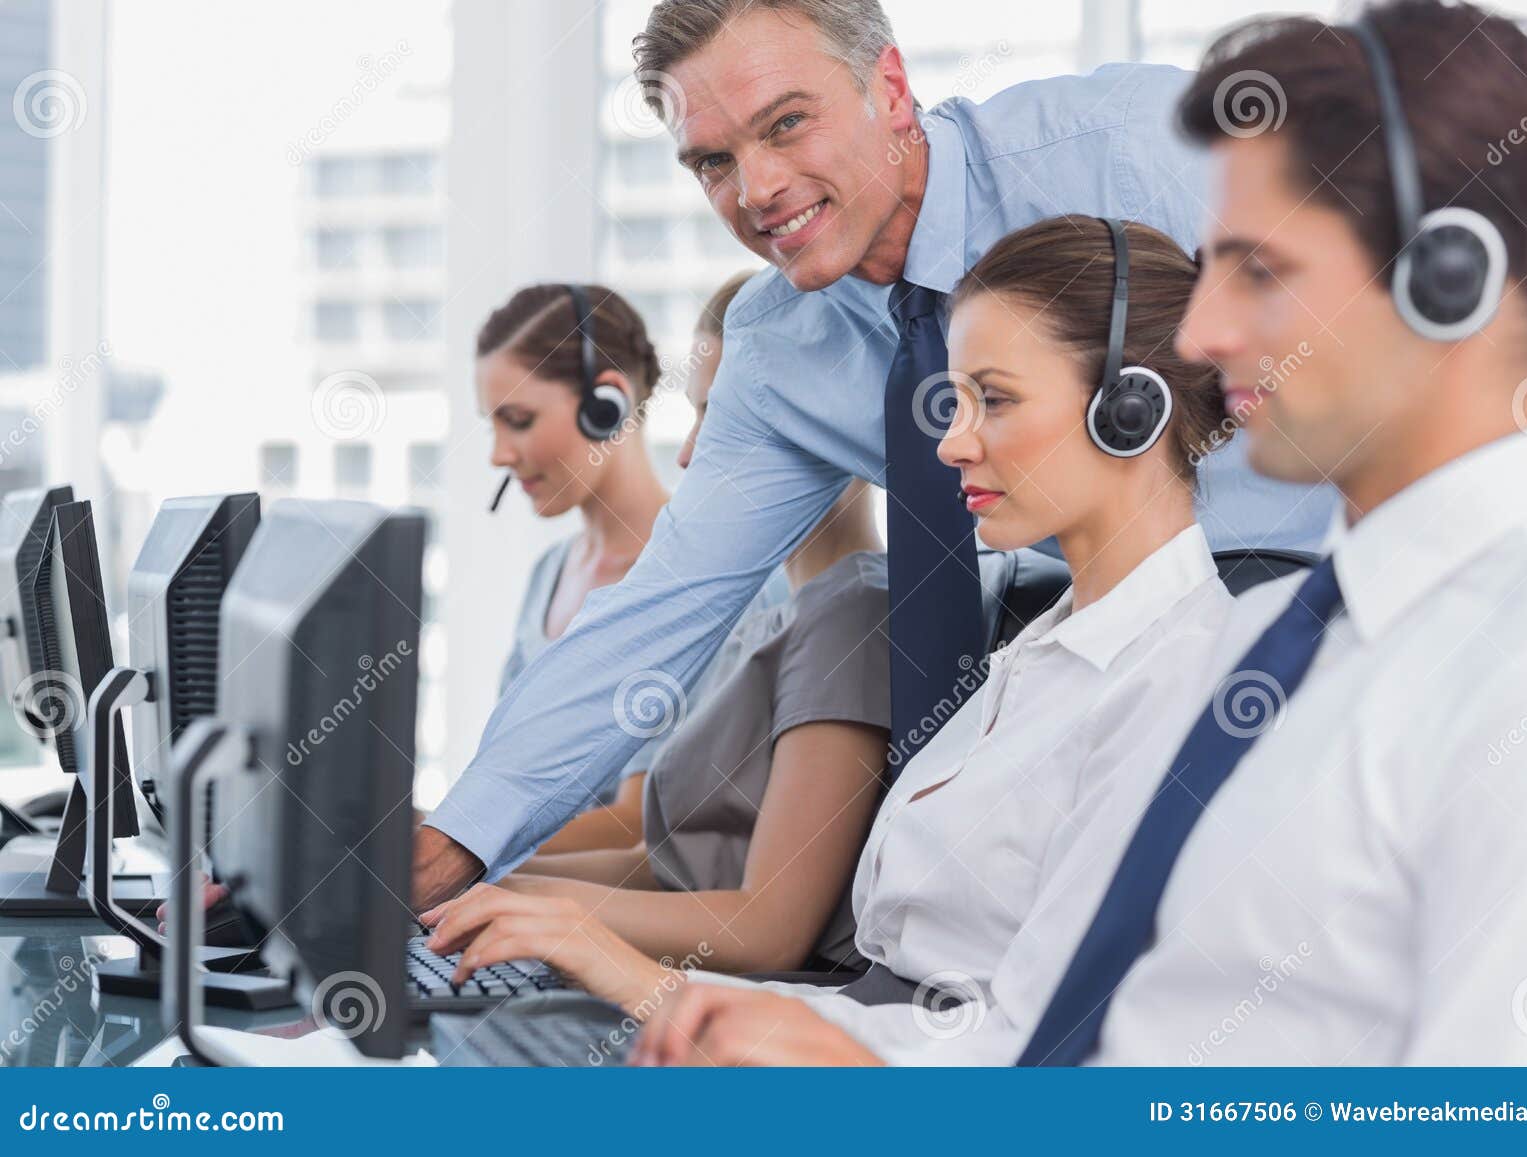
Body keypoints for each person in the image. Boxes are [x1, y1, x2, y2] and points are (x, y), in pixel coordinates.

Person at [633, 0, 1527, 1067]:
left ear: (1445, 276)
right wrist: (818, 1048)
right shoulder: (1276, 638)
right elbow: (1050, 1033)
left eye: (1259, 270)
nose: (1198, 333)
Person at [412, 0, 1363, 908]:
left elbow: (1396, 320)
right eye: (712, 161)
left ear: (891, 88)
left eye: (786, 124)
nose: (757, 190)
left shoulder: (1132, 147)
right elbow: (653, 616)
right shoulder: (781, 349)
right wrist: (455, 843)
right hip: (1071, 668)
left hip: (1330, 622)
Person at [422, 214, 1242, 1036]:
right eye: (953, 401)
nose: (950, 444)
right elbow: (873, 1005)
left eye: (992, 399)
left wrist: (635, 976)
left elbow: (1021, 1055)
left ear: (1131, 408)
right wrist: (600, 961)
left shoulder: (1178, 678)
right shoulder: (1035, 653)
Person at [486, 273, 891, 976]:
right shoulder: (770, 624)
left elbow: (767, 927)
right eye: (702, 414)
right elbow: (667, 861)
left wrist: (512, 894)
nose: (691, 453)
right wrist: (477, 877)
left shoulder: (852, 614)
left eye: (733, 416)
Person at [478, 282, 786, 855]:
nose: (497, 452)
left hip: (620, 920)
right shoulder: (550, 572)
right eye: (491, 424)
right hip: (528, 904)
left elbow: (641, 821)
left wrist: (458, 848)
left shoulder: (705, 576)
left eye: (517, 420)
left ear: (606, 406)